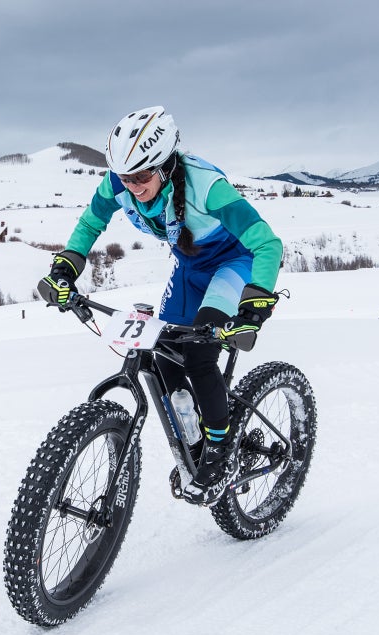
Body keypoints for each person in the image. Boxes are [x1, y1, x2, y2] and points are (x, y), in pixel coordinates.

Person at [37, 106, 283, 505]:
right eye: (124, 176)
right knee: (164, 352)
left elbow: (267, 243)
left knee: (200, 354)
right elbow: (89, 224)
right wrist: (65, 269)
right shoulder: (118, 182)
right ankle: (197, 437)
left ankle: (219, 454)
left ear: (166, 165)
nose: (132, 186)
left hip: (234, 264)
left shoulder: (206, 186)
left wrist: (253, 308)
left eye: (141, 176)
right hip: (189, 267)